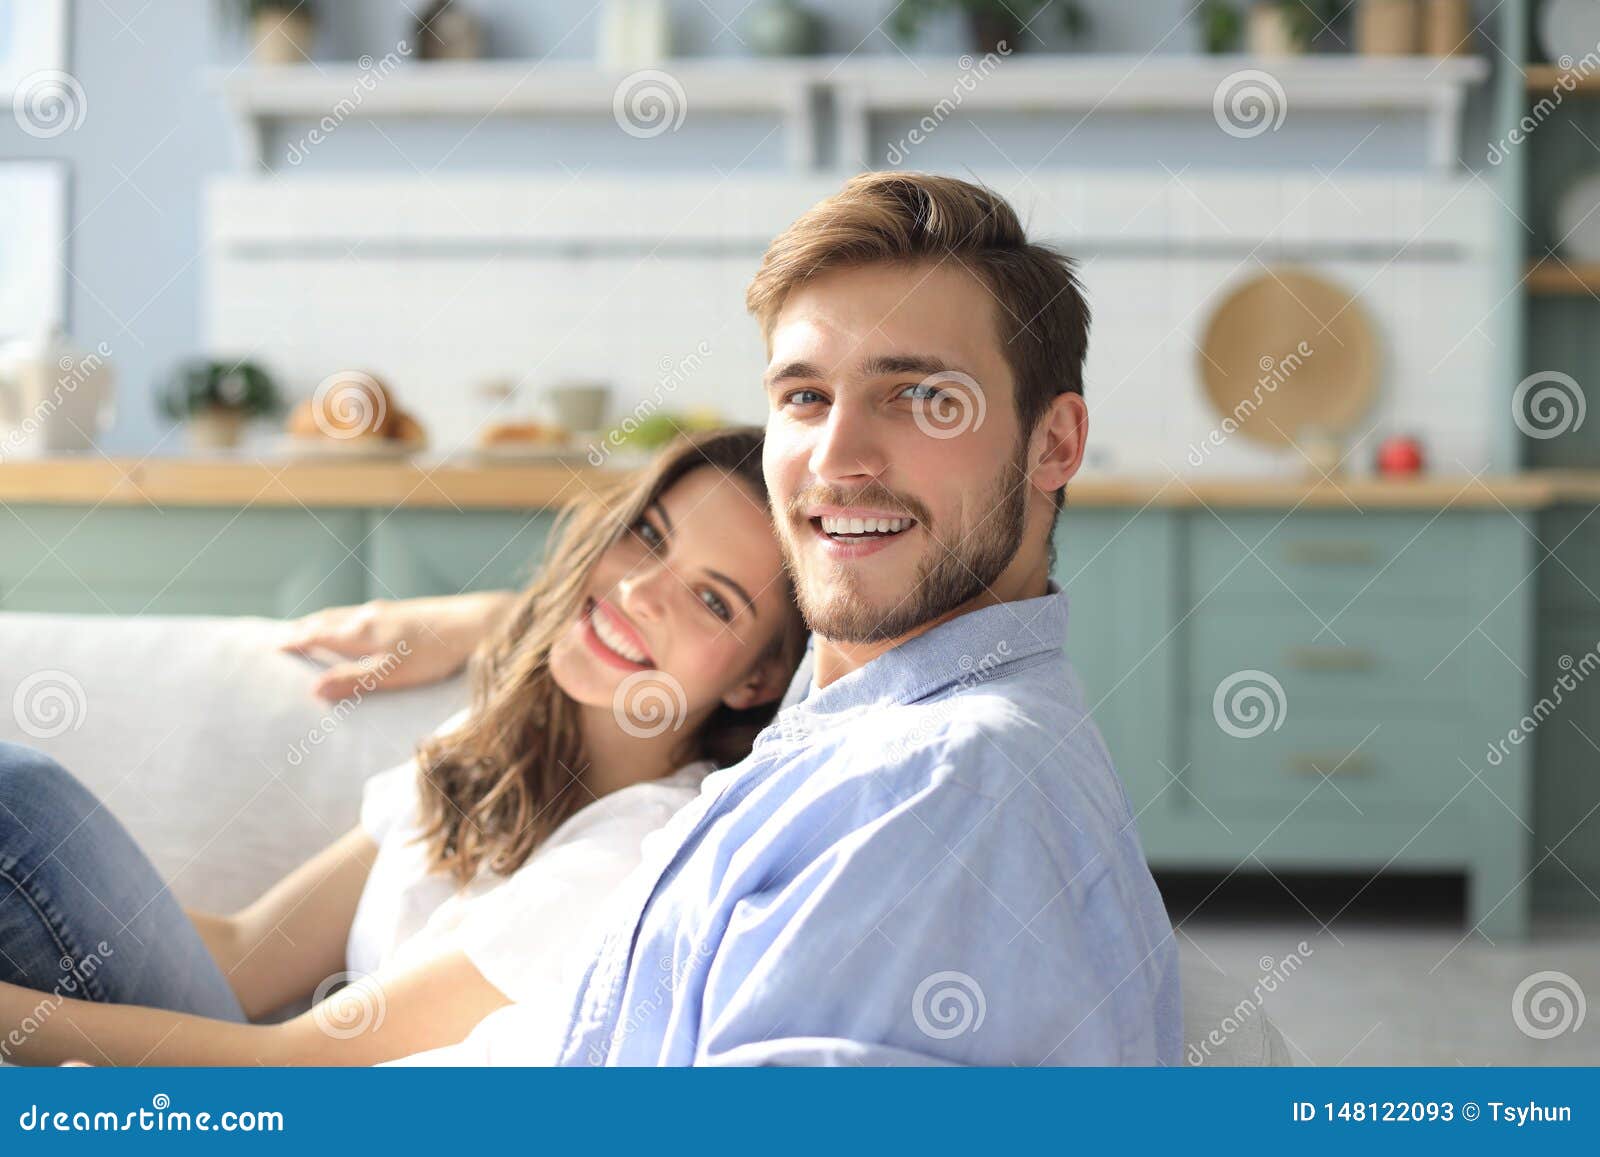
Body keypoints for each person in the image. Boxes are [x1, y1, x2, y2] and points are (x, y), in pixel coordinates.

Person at [334, 172, 1183, 1066]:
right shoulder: (859, 708)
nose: (837, 457)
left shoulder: (943, 785)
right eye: (805, 397)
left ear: (1054, 443)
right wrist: (499, 619)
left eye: (922, 397)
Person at [0, 428, 807, 1066]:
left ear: (755, 680)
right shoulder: (498, 745)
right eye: (647, 536)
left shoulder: (634, 856)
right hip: (266, 1066)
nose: (638, 590)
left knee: (18, 797)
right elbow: (246, 959)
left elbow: (297, 1066)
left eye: (711, 598)